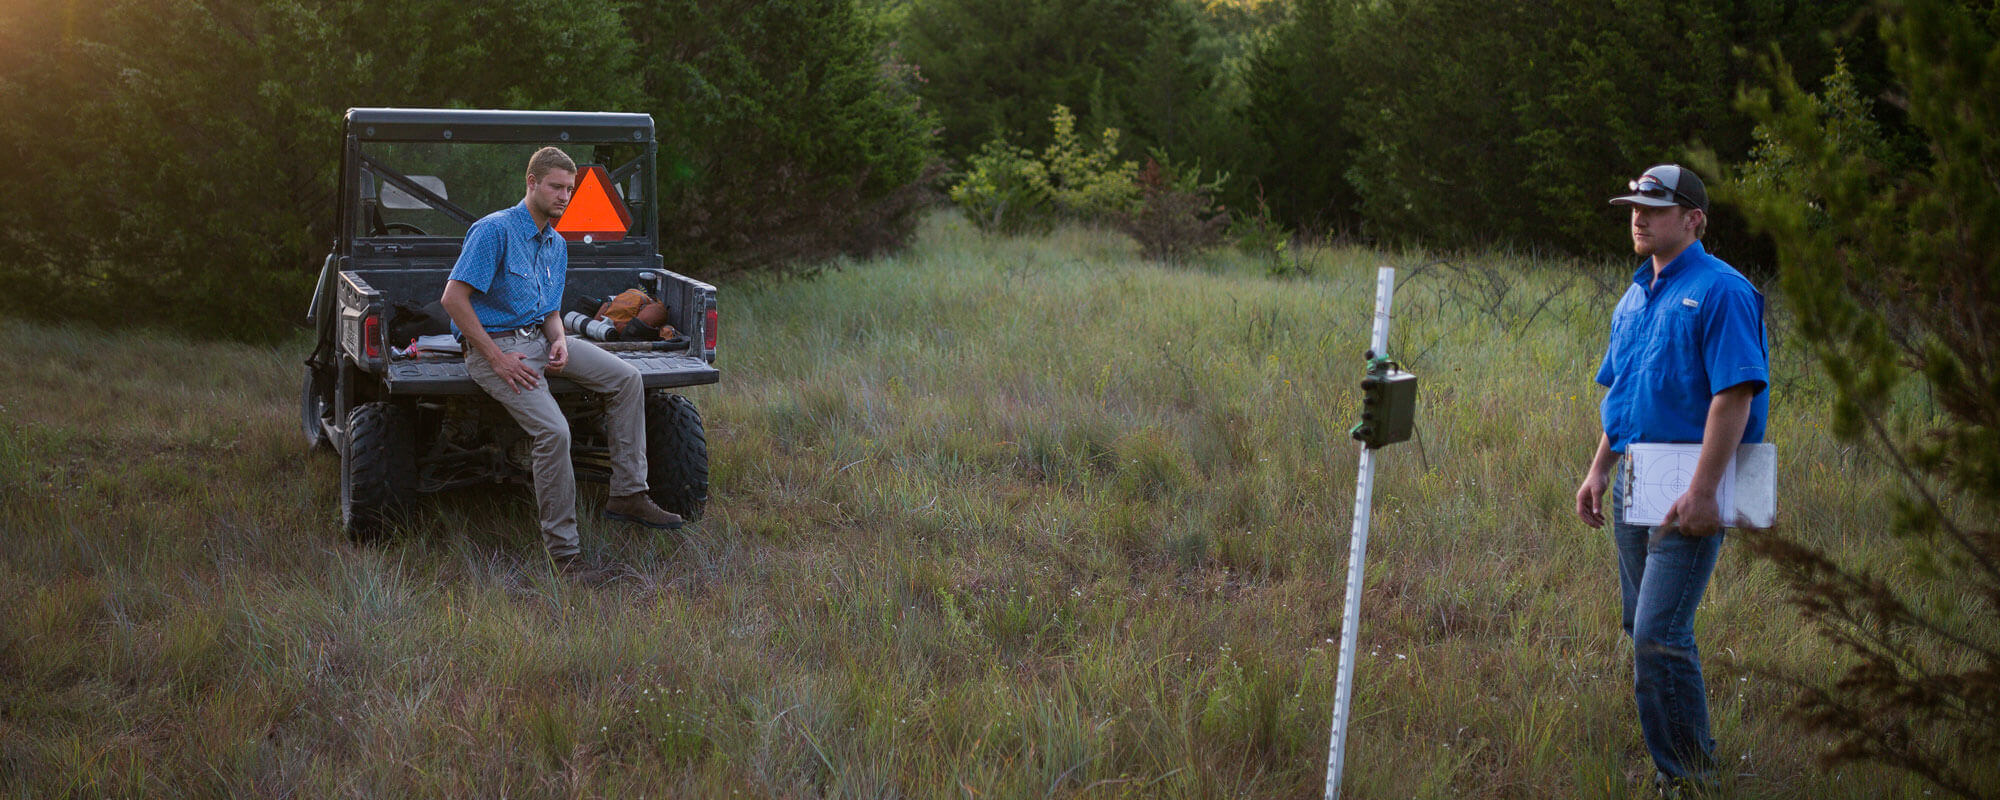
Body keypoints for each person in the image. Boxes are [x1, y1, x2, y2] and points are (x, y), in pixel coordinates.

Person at [1573, 164, 1769, 794]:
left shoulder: (1723, 291)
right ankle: (1684, 747)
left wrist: (1706, 492)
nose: (1638, 216)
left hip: (1692, 484)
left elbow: (1734, 396)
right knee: (1641, 626)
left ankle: (1686, 776)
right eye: (1633, 205)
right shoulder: (1634, 296)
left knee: (1660, 632)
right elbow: (1627, 393)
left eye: (1654, 207)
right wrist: (1600, 468)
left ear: (1693, 219)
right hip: (1636, 478)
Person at [439, 146, 683, 571]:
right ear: (531, 183)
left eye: (569, 189)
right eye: (555, 186)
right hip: (496, 349)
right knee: (554, 432)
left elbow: (550, 311)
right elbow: (453, 299)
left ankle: (628, 493)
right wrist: (497, 359)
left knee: (627, 379)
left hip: (540, 340)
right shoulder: (494, 230)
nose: (564, 196)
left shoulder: (556, 243)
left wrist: (561, 341)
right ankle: (565, 552)